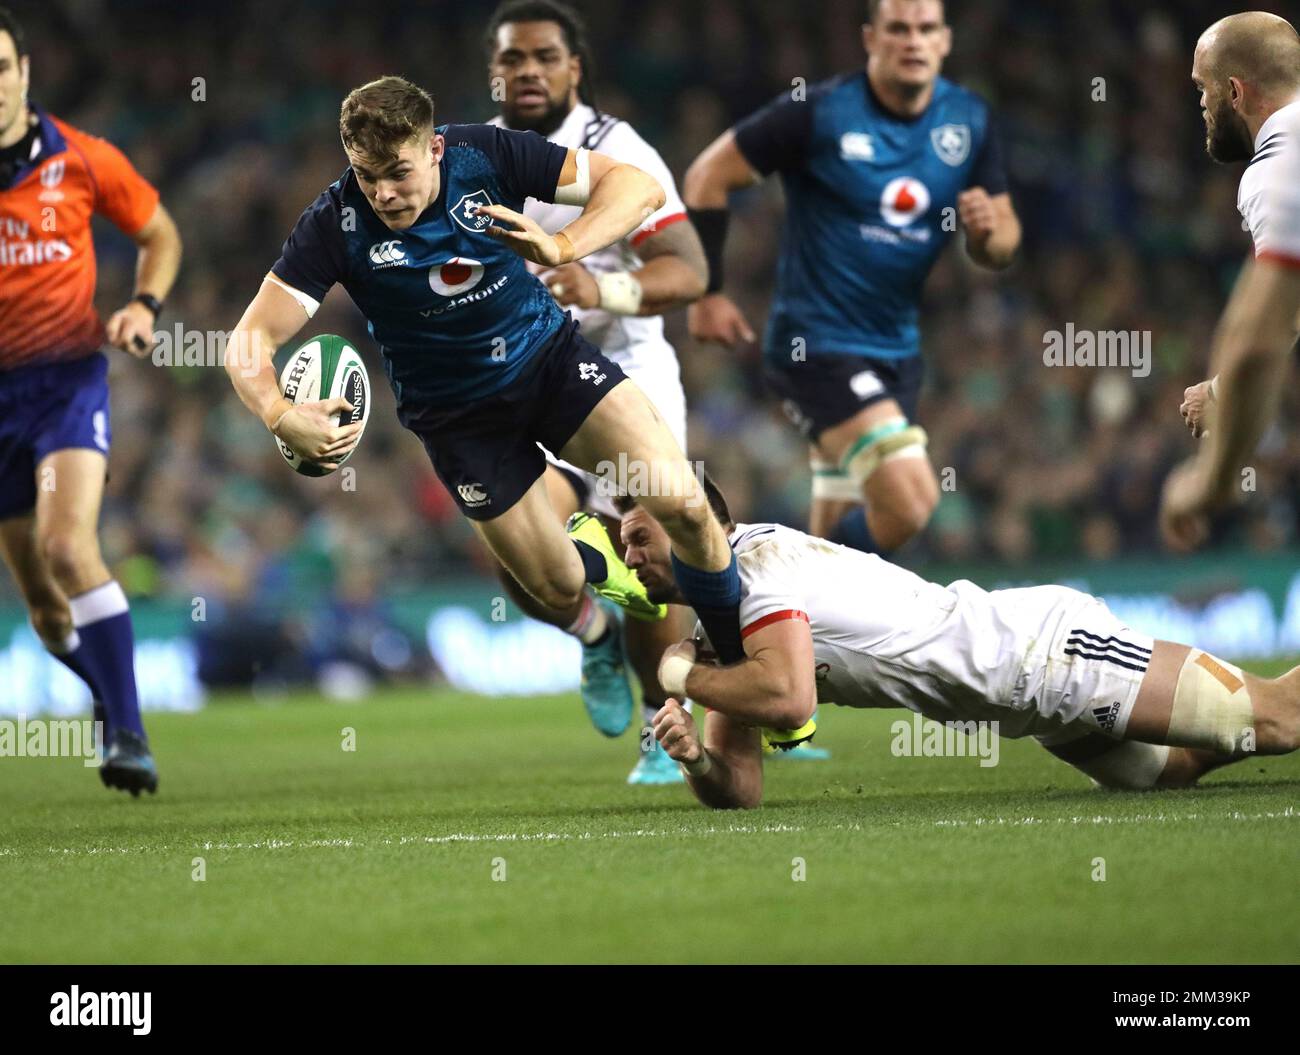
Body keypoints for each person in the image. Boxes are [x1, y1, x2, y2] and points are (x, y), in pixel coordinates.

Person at [222, 76, 750, 685]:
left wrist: (564, 244)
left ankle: (743, 666)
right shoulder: (333, 224)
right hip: (458, 420)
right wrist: (280, 414)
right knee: (557, 586)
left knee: (683, 503)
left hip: (550, 363)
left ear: (435, 148)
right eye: (367, 176)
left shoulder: (486, 155)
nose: (384, 194)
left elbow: (638, 185)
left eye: (398, 172)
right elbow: (249, 340)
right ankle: (596, 632)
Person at [613, 479, 1293, 809]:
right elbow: (746, 786)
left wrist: (682, 675)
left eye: (641, 535)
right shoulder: (722, 625)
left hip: (1045, 653)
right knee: (1170, 770)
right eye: (622, 542)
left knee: (1275, 718)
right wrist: (699, 758)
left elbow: (791, 700)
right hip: (1024, 706)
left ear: (692, 524)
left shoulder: (758, 566)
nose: (630, 552)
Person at [682, 0, 1019, 558]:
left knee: (840, 534)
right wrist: (709, 292)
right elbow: (705, 178)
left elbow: (1004, 243)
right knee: (911, 502)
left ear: (945, 41)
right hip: (816, 347)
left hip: (899, 354)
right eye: (898, 29)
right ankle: (760, 575)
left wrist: (985, 236)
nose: (913, 41)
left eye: (926, 29)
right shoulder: (819, 112)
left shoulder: (969, 119)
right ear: (870, 38)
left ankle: (801, 616)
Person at [484, 0, 708, 783]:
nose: (529, 71)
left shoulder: (616, 150)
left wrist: (598, 287)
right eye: (514, 59)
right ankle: (591, 633)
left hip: (624, 376)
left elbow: (688, 268)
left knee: (647, 547)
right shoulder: (468, 157)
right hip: (518, 376)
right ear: (494, 73)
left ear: (574, 68)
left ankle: (664, 722)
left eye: (545, 56)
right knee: (514, 545)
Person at [0, 6, 182, 795]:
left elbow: (161, 235)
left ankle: (129, 732)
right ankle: (107, 694)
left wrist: (144, 306)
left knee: (69, 548)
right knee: (44, 606)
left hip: (66, 383)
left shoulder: (82, 158)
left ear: (24, 72)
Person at [1176, 11, 1300, 443]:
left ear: (1233, 91)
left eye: (1202, 87)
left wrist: (1217, 392)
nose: (1201, 103)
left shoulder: (1274, 167)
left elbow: (1281, 310)